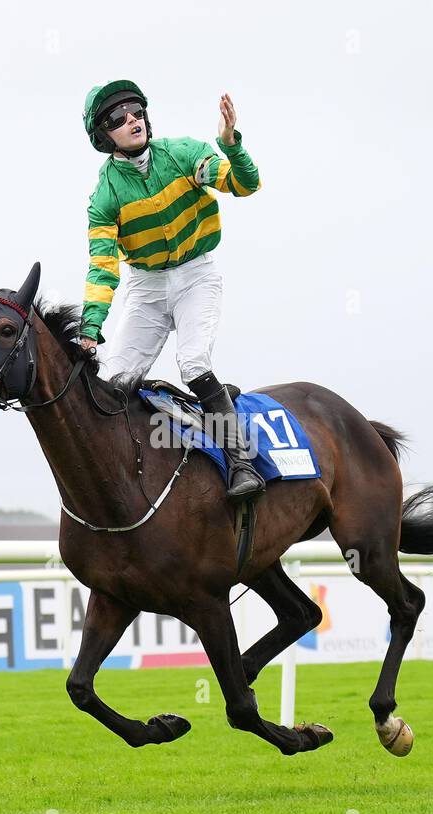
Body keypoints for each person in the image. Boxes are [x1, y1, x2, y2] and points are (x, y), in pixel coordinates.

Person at [79, 79, 265, 503]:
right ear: (103, 135)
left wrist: (230, 144)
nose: (132, 120)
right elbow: (103, 267)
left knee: (193, 363)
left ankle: (240, 461)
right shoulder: (104, 196)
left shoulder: (183, 153)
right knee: (113, 383)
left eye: (135, 110)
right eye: (117, 118)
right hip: (146, 288)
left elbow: (245, 184)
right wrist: (91, 327)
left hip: (196, 276)